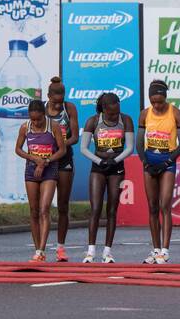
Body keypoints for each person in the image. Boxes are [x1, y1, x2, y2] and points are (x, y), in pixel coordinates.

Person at [79, 92, 136, 263]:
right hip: (98, 166)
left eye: (117, 111)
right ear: (104, 109)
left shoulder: (125, 120)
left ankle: (107, 252)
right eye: (111, 113)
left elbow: (130, 147)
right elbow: (83, 148)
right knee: (95, 208)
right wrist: (100, 161)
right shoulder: (93, 121)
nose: (114, 115)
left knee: (112, 209)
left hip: (116, 167)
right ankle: (90, 251)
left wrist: (115, 160)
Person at [137, 80, 180, 264]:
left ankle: (165, 251)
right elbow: (139, 143)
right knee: (152, 207)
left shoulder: (175, 113)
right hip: (150, 160)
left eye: (160, 102)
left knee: (165, 205)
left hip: (168, 161)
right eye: (153, 102)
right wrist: (145, 162)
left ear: (165, 98)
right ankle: (155, 249)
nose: (156, 105)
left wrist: (167, 161)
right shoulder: (144, 114)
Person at [16, 99, 67, 262]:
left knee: (44, 208)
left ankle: (41, 250)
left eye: (39, 119)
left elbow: (62, 150)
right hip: (31, 169)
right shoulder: (25, 127)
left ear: (44, 115)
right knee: (34, 210)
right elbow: (18, 149)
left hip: (49, 169)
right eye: (33, 119)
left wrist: (45, 161)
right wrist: (33, 158)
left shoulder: (53, 126)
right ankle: (38, 249)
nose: (36, 122)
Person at [44, 77, 81, 261]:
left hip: (64, 158)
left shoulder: (69, 108)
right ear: (48, 96)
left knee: (63, 205)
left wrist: (61, 145)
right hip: (45, 159)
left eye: (61, 100)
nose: (58, 105)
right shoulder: (42, 109)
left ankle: (60, 248)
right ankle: (40, 248)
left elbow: (75, 137)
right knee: (42, 206)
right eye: (54, 101)